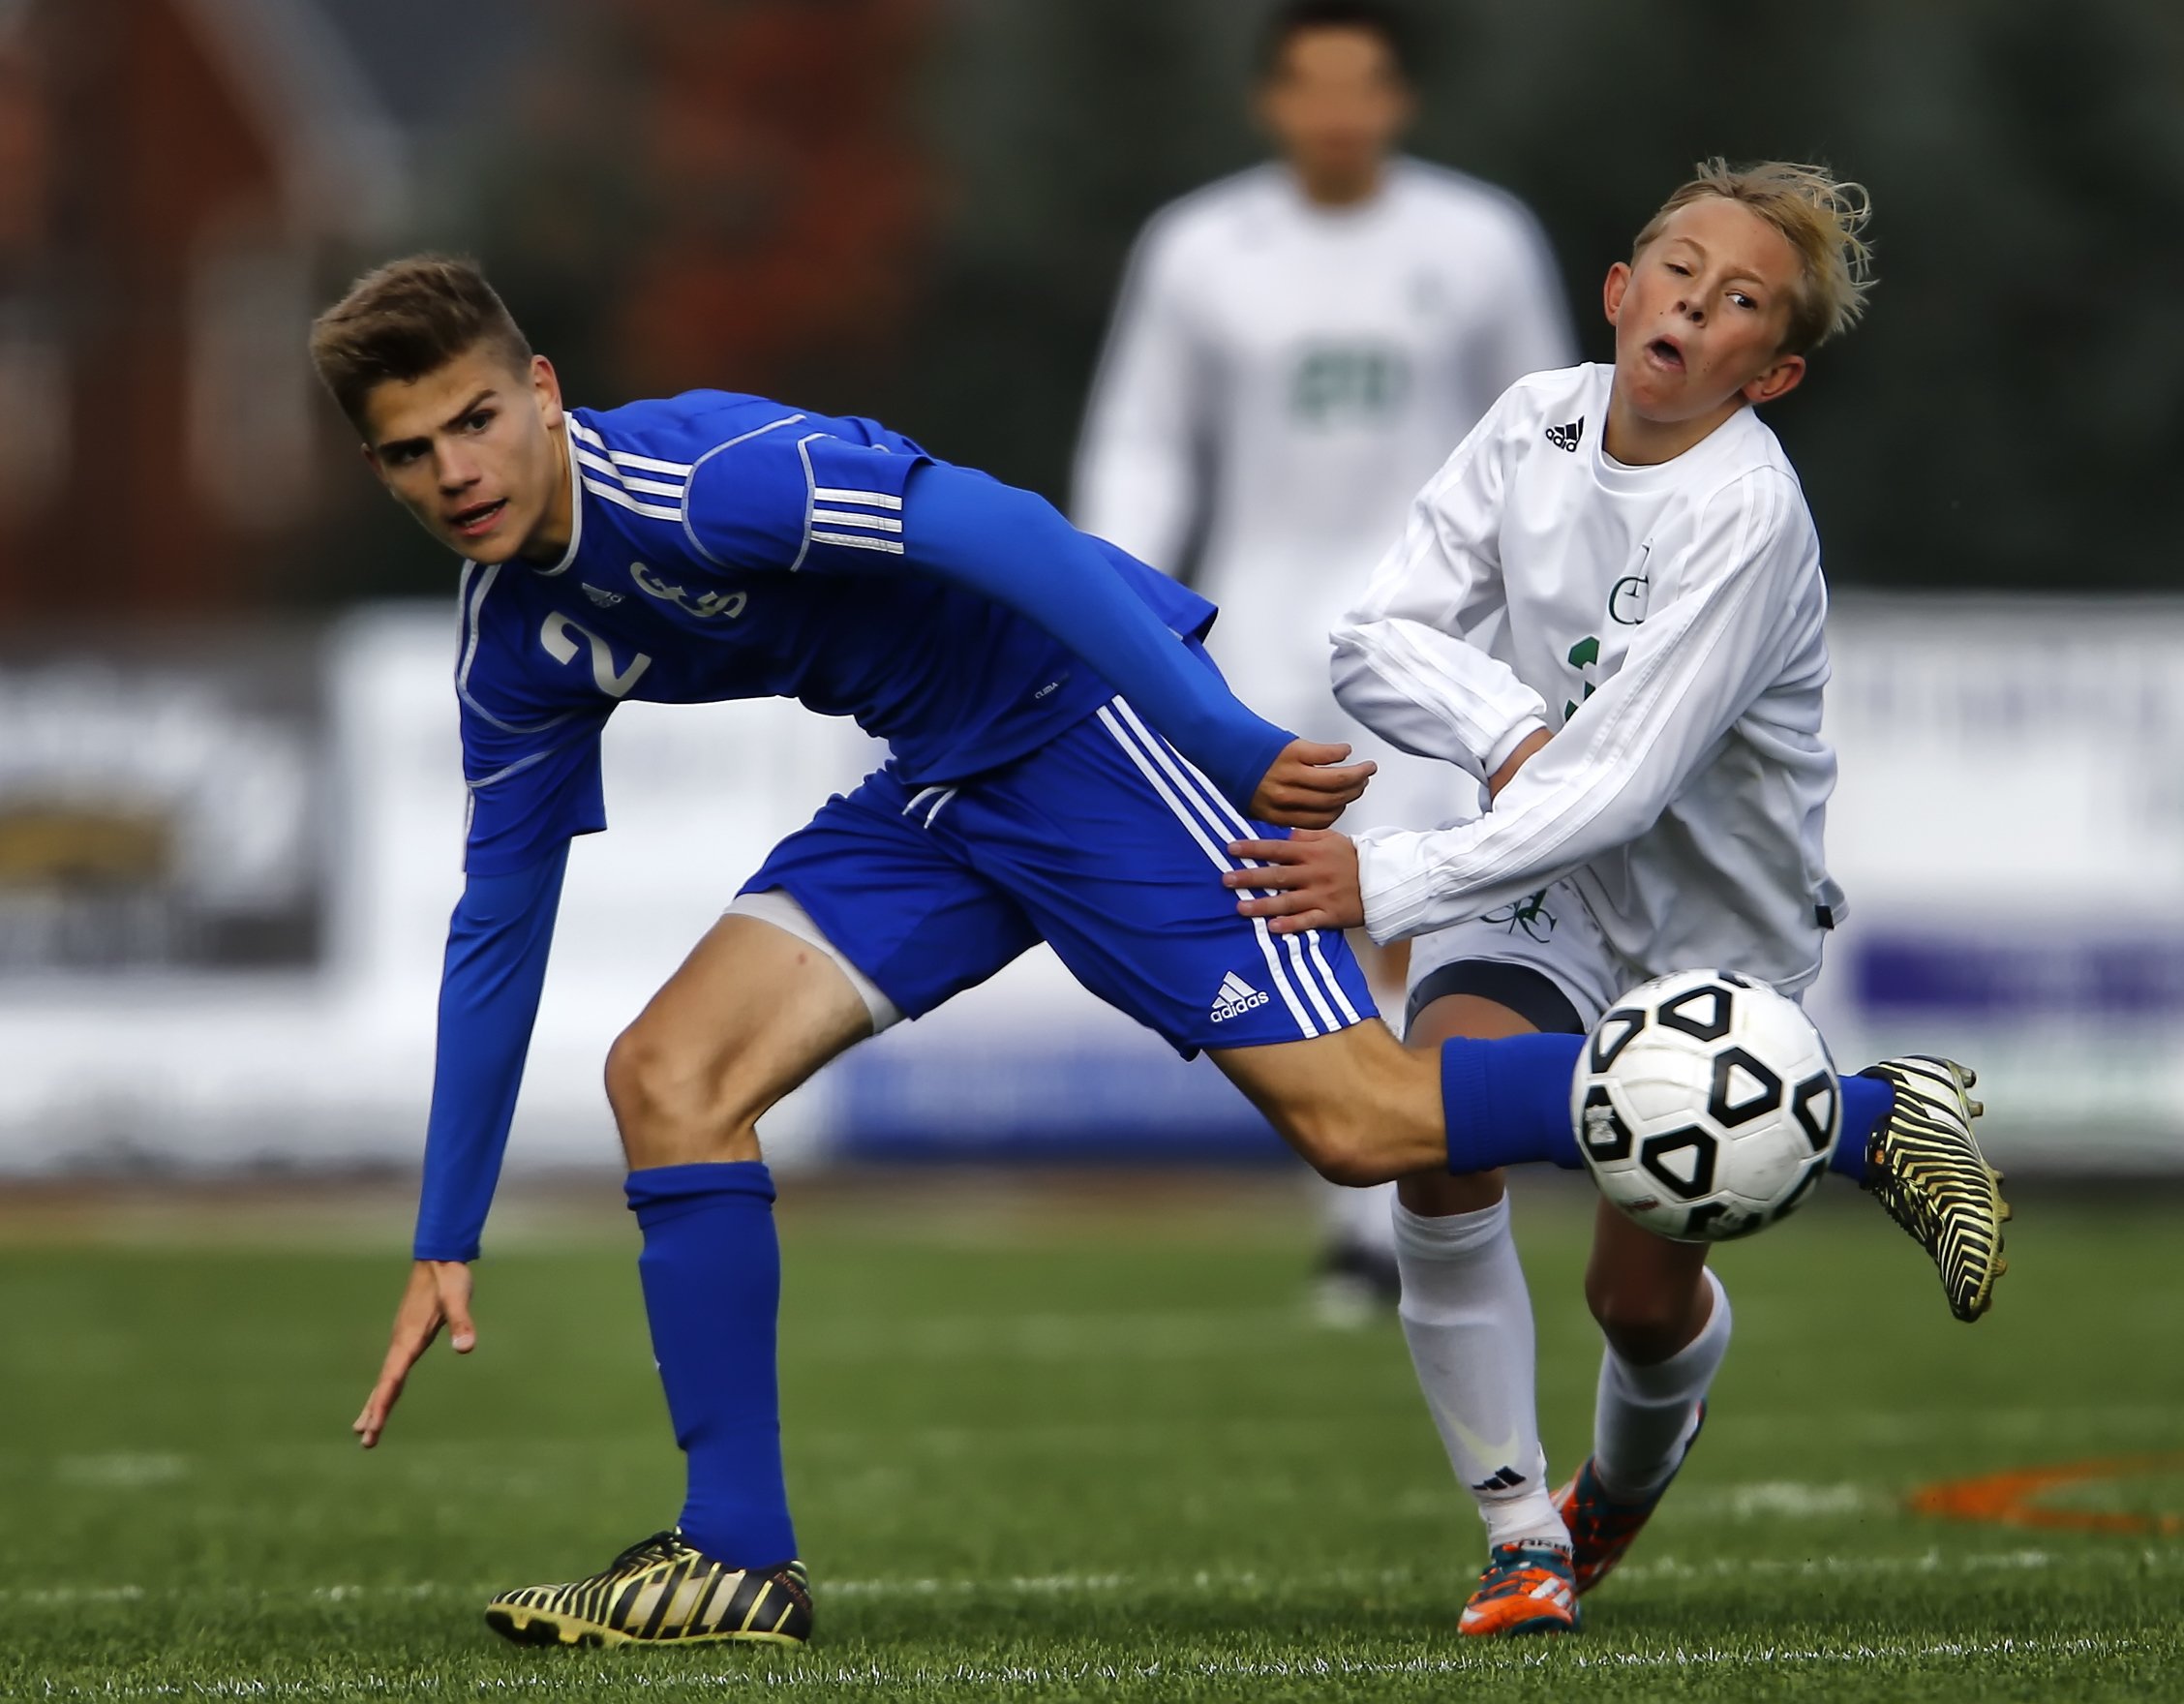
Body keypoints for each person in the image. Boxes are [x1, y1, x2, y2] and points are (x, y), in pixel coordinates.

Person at [313, 255, 1613, 1650]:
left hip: (1083, 732)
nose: (455, 470)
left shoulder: (704, 478)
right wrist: (445, 1235)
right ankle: (737, 1556)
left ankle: (1841, 1112)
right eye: (409, 451)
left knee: (1365, 1127)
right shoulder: (517, 639)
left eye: (475, 421)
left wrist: (1221, 734)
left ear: (543, 393)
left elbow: (1013, 534)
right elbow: (496, 923)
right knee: (670, 1074)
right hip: (937, 784)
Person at [1224, 161, 2011, 1635]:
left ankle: (1638, 1460)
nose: (1696, 303)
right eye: (1679, 269)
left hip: (1710, 929)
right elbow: (1374, 635)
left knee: (1636, 1306)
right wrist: (1505, 734)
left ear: (1767, 373)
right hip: (1536, 893)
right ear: (1620, 293)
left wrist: (1386, 873)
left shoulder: (1747, 517)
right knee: (1430, 1135)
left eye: (1741, 303)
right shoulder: (1533, 421)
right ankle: (1521, 1535)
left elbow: (1628, 786)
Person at [1076, 0, 1574, 1317]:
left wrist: (1544, 614)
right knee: (1300, 912)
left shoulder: (1478, 241)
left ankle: (1407, 1217)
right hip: (1255, 637)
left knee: (1412, 911)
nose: (1340, 112)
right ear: (1275, 101)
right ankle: (1359, 1208)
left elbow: (1546, 437)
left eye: (1365, 86)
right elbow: (1144, 440)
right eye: (1315, 86)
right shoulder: (1198, 248)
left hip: (1430, 640)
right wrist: (1109, 603)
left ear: (1398, 100)